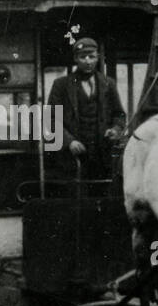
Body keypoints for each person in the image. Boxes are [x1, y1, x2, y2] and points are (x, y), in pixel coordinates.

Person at [46, 37, 127, 194]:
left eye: (92, 56)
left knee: (102, 196)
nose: (88, 61)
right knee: (75, 198)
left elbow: (119, 115)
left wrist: (115, 130)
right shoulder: (61, 85)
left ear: (98, 58)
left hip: (102, 154)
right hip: (72, 156)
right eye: (83, 57)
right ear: (76, 58)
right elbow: (51, 119)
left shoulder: (108, 84)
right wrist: (69, 141)